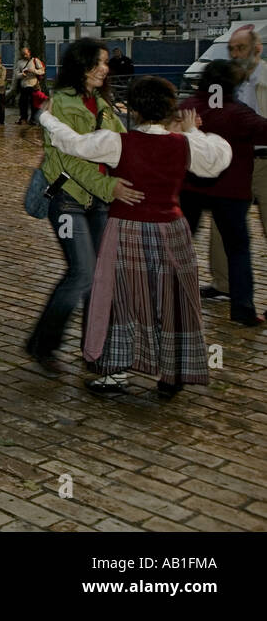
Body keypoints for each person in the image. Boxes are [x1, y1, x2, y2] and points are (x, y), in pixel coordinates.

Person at [36, 77, 231, 396]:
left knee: (119, 299)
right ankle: (173, 374)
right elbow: (218, 159)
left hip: (126, 227)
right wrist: (191, 130)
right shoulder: (185, 144)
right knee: (173, 299)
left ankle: (114, 374)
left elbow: (73, 143)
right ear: (171, 110)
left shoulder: (118, 142)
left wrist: (45, 116)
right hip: (171, 228)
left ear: (135, 111)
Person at [25, 39, 140, 367]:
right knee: (82, 273)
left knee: (101, 276)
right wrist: (109, 187)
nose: (105, 69)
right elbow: (67, 160)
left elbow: (126, 145)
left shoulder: (103, 104)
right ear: (81, 66)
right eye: (99, 63)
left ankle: (94, 348)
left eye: (106, 63)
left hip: (99, 200)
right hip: (67, 198)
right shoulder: (60, 103)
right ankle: (42, 344)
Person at [180, 59, 267, 326]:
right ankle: (242, 310)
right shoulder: (238, 113)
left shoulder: (187, 107)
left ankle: (171, 301)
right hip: (230, 190)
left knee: (180, 247)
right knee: (238, 250)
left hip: (190, 187)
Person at [202, 25, 267, 304]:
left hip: (264, 160)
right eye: (231, 49)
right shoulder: (224, 82)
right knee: (221, 224)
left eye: (240, 48)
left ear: (257, 49)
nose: (235, 54)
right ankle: (223, 282)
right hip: (232, 160)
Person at [14, 46, 46, 124]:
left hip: (33, 85)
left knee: (34, 103)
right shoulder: (19, 62)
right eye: (23, 54)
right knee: (23, 103)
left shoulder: (35, 60)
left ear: (29, 53)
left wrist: (33, 71)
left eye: (26, 54)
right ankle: (23, 118)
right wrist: (22, 74)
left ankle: (33, 119)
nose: (24, 56)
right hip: (24, 85)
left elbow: (42, 71)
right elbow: (16, 75)